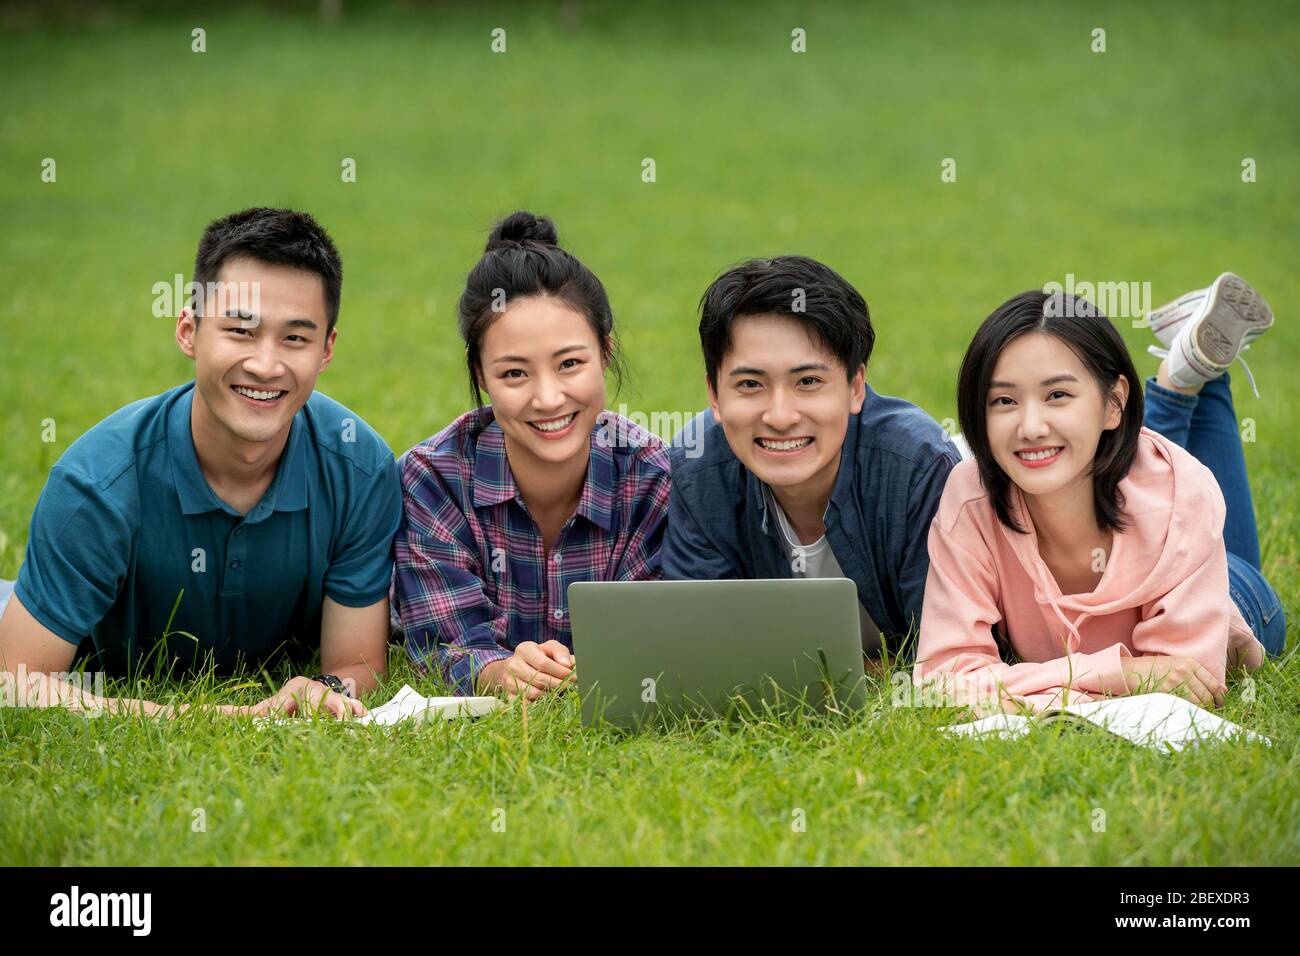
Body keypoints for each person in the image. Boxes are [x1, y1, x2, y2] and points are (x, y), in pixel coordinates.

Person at [0, 208, 401, 719]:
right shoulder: (97, 484)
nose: (265, 364)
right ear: (189, 331)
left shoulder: (360, 471)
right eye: (240, 331)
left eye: (295, 338)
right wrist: (222, 718)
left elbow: (357, 666)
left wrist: (327, 692)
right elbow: (16, 681)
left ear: (327, 350)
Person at [914, 276, 1282, 714]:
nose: (1030, 426)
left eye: (1057, 395)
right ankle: (1190, 369)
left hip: (1233, 597)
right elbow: (944, 679)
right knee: (1122, 462)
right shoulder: (969, 496)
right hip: (1133, 487)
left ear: (1114, 402)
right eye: (1004, 401)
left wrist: (1021, 685)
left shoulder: (1182, 497)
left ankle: (1193, 378)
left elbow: (1182, 683)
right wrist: (1124, 673)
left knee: (1173, 480)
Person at [392, 211, 670, 701]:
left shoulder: (651, 477)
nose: (547, 398)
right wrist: (497, 672)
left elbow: (655, 638)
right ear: (480, 375)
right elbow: (443, 642)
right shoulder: (434, 477)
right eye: (515, 374)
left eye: (570, 364)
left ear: (605, 353)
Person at [663, 256, 961, 661]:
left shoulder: (916, 467)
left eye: (808, 382)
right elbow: (699, 650)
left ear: (856, 386)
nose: (780, 416)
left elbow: (946, 656)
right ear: (715, 395)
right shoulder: (697, 467)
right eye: (750, 384)